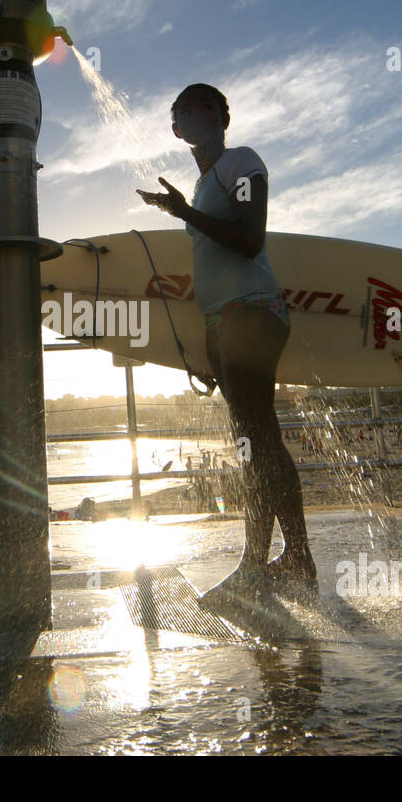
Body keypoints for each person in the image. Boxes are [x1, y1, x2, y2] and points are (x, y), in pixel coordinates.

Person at [136, 83, 315, 612]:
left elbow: (249, 239)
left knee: (259, 438)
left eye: (206, 104)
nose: (195, 111)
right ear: (176, 128)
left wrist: (182, 213)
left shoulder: (242, 163)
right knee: (253, 442)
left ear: (222, 118)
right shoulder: (202, 185)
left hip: (254, 313)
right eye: (183, 108)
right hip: (225, 322)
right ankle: (268, 563)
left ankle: (280, 561)